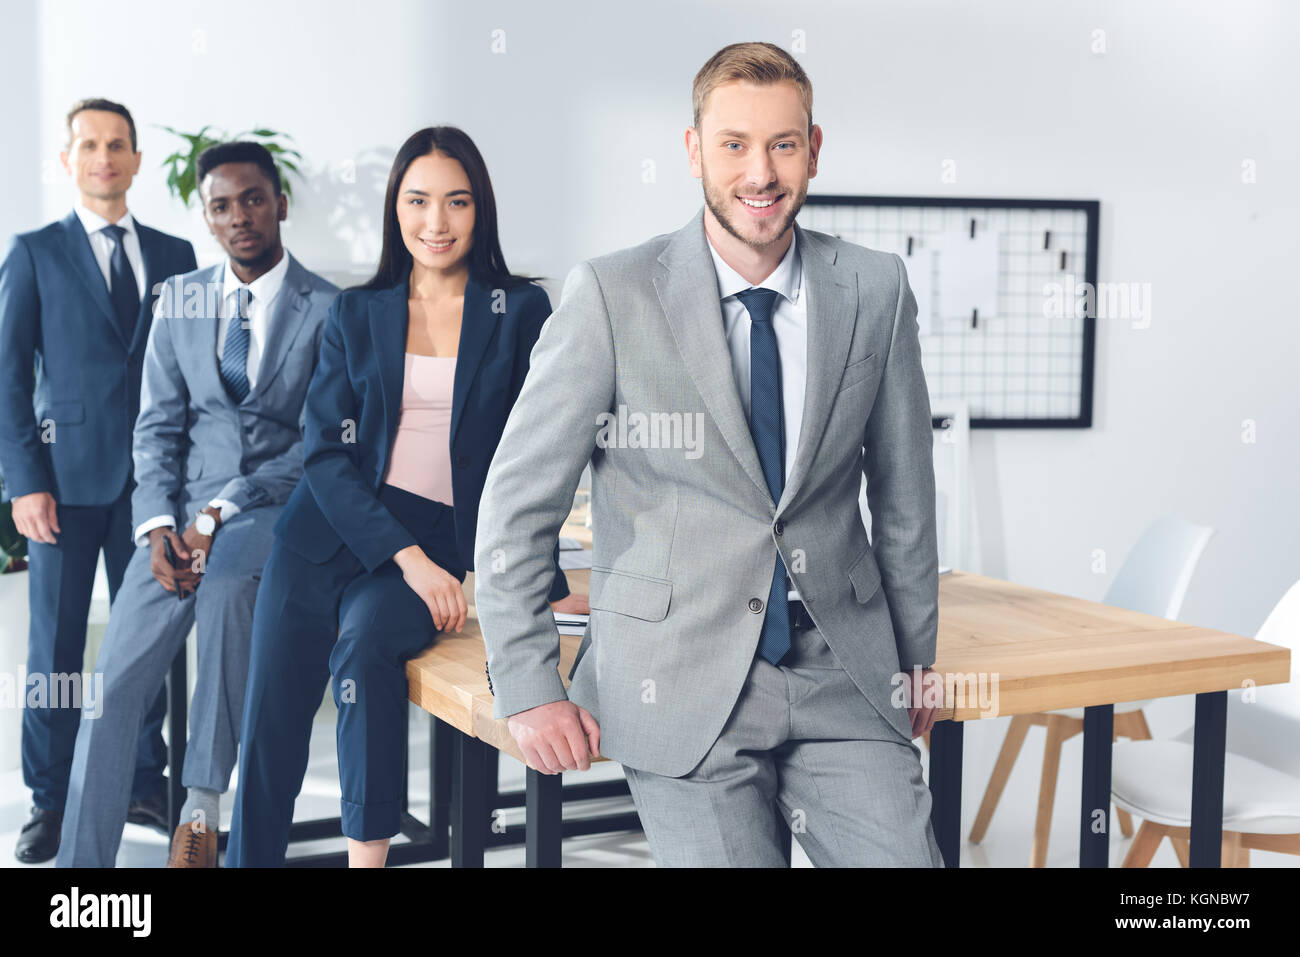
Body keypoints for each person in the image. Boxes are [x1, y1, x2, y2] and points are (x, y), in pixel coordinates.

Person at [474, 42, 946, 866]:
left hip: (844, 675)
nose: (759, 172)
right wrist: (527, 685)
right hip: (679, 681)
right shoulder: (610, 295)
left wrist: (918, 658)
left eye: (783, 144)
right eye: (734, 144)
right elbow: (518, 504)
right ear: (694, 150)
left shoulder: (875, 288)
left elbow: (904, 495)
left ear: (814, 148)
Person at [227, 126, 586, 868]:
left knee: (364, 652)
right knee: (271, 728)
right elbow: (325, 453)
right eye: (418, 200)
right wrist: (409, 557)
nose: (437, 221)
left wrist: (535, 577)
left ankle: (368, 861)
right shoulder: (357, 313)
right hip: (325, 535)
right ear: (396, 208)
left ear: (479, 210)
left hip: (439, 545)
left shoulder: (519, 311)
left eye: (456, 201)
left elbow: (537, 458)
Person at [55, 142, 339, 867]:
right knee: (110, 689)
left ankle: (200, 813)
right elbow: (155, 428)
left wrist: (219, 511)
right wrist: (156, 526)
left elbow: (318, 444)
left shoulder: (331, 309)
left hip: (270, 512)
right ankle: (80, 871)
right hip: (174, 522)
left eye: (252, 198)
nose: (239, 216)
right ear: (206, 218)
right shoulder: (179, 298)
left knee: (224, 599)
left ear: (280, 203)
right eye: (221, 205)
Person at [0, 99, 197, 864]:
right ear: (68, 160)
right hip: (63, 484)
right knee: (54, 650)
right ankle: (50, 799)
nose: (104, 156)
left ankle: (145, 776)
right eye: (89, 144)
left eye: (118, 144)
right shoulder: (35, 252)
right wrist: (24, 482)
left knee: (146, 638)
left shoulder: (179, 257)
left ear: (139, 160)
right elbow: (10, 380)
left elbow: (192, 375)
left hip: (154, 487)